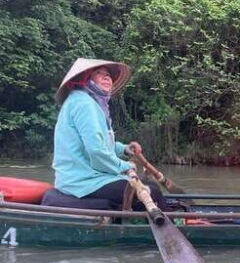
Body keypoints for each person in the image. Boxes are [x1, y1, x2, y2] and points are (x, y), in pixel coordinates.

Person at [50, 58, 167, 211]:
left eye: (108, 75)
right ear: (85, 79)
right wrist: (124, 166)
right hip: (82, 181)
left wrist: (124, 149)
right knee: (154, 193)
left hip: (89, 178)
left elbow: (102, 143)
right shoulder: (84, 104)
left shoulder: (89, 103)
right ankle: (176, 224)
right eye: (99, 73)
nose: (107, 77)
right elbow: (96, 151)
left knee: (150, 187)